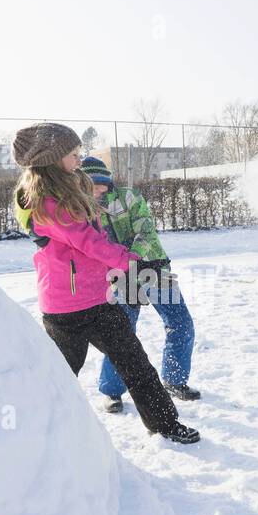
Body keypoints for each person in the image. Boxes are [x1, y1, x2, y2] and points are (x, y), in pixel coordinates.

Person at [11, 123, 199, 444]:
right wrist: (130, 260)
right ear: (54, 158)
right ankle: (32, 430)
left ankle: (165, 423)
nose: (78, 158)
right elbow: (88, 242)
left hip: (99, 299)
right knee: (60, 376)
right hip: (65, 310)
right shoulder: (45, 202)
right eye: (73, 154)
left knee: (136, 364)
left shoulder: (69, 190)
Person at [82, 156, 201, 414]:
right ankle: (112, 391)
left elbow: (146, 230)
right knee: (121, 333)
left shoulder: (129, 197)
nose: (99, 189)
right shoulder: (82, 210)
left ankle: (174, 380)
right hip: (120, 277)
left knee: (180, 322)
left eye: (102, 183)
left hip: (153, 266)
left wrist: (131, 260)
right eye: (93, 184)